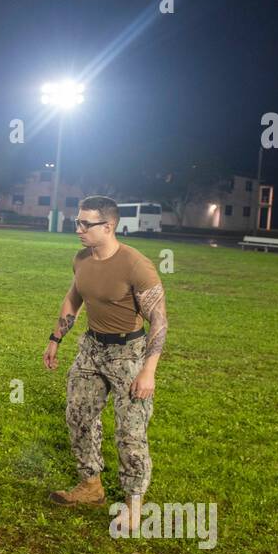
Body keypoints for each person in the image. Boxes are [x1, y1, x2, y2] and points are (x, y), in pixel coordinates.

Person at [43, 196, 169, 534]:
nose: (78, 229)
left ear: (108, 227)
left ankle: (133, 504)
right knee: (78, 416)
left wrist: (148, 370)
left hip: (129, 354)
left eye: (86, 224)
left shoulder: (135, 265)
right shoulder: (81, 259)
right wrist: (56, 339)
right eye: (77, 222)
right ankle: (91, 486)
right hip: (91, 349)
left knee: (130, 432)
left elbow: (159, 320)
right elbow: (74, 298)